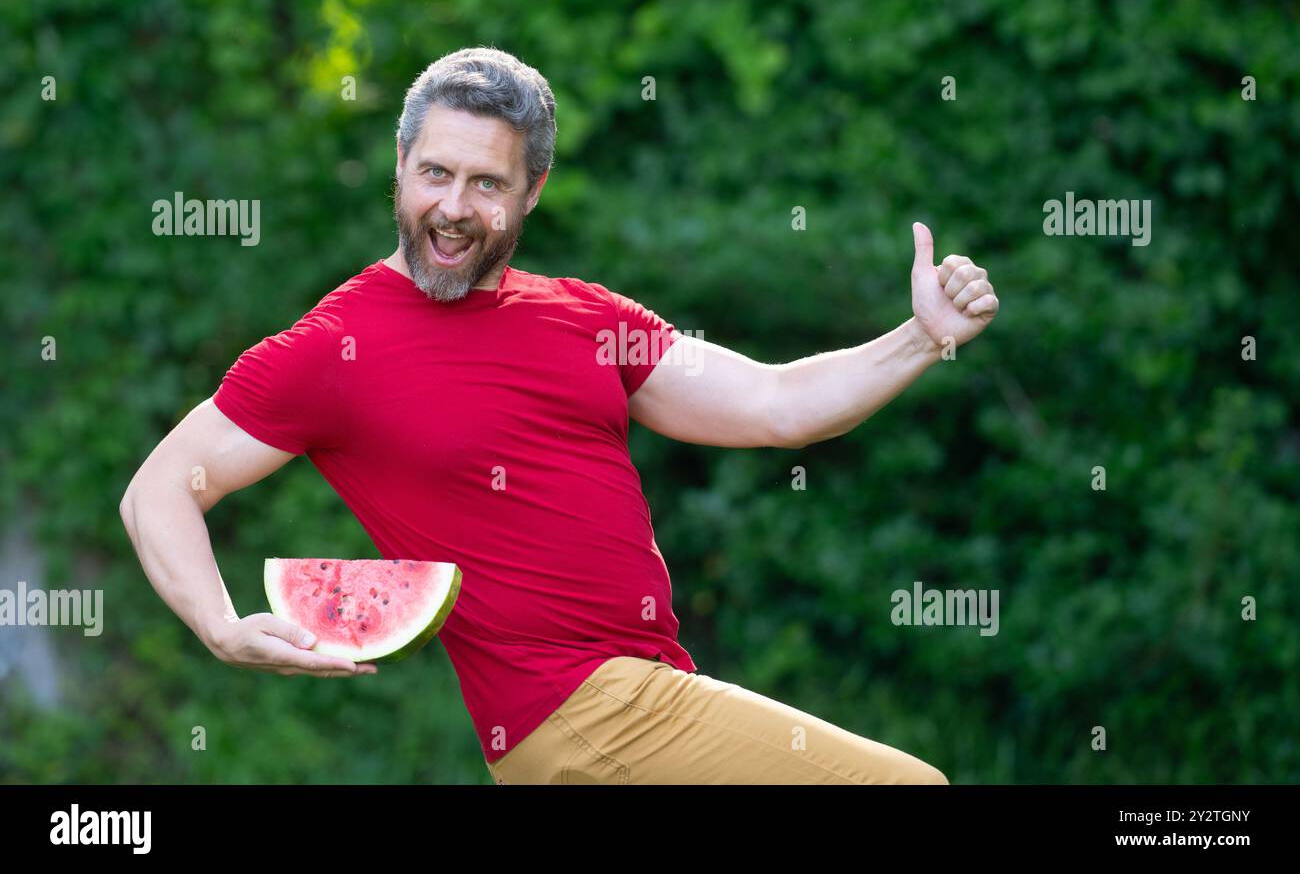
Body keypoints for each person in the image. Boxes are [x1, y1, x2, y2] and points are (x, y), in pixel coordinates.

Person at [120, 46, 998, 784]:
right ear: (398, 167)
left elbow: (777, 405)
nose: (453, 207)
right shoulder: (332, 346)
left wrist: (922, 337)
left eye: (485, 183)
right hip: (578, 707)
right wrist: (224, 628)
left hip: (644, 693)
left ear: (532, 189)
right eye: (434, 173)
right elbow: (159, 489)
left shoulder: (588, 319)